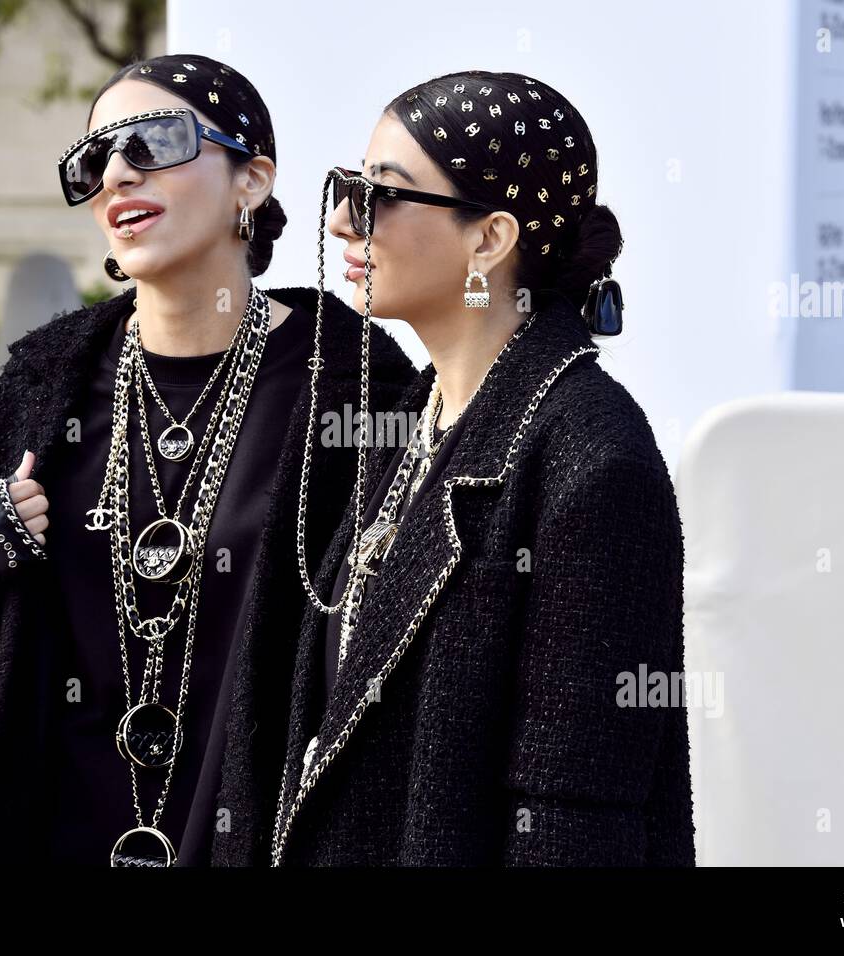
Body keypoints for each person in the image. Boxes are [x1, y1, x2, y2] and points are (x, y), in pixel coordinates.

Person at [0, 53, 416, 866]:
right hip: (52, 838)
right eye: (94, 159)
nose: (115, 175)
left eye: (152, 143)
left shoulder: (351, 379)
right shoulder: (49, 376)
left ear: (252, 180)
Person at [259, 70, 695, 866]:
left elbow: (575, 820)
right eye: (346, 186)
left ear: (489, 239)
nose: (339, 220)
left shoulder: (594, 457)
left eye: (378, 195)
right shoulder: (409, 422)